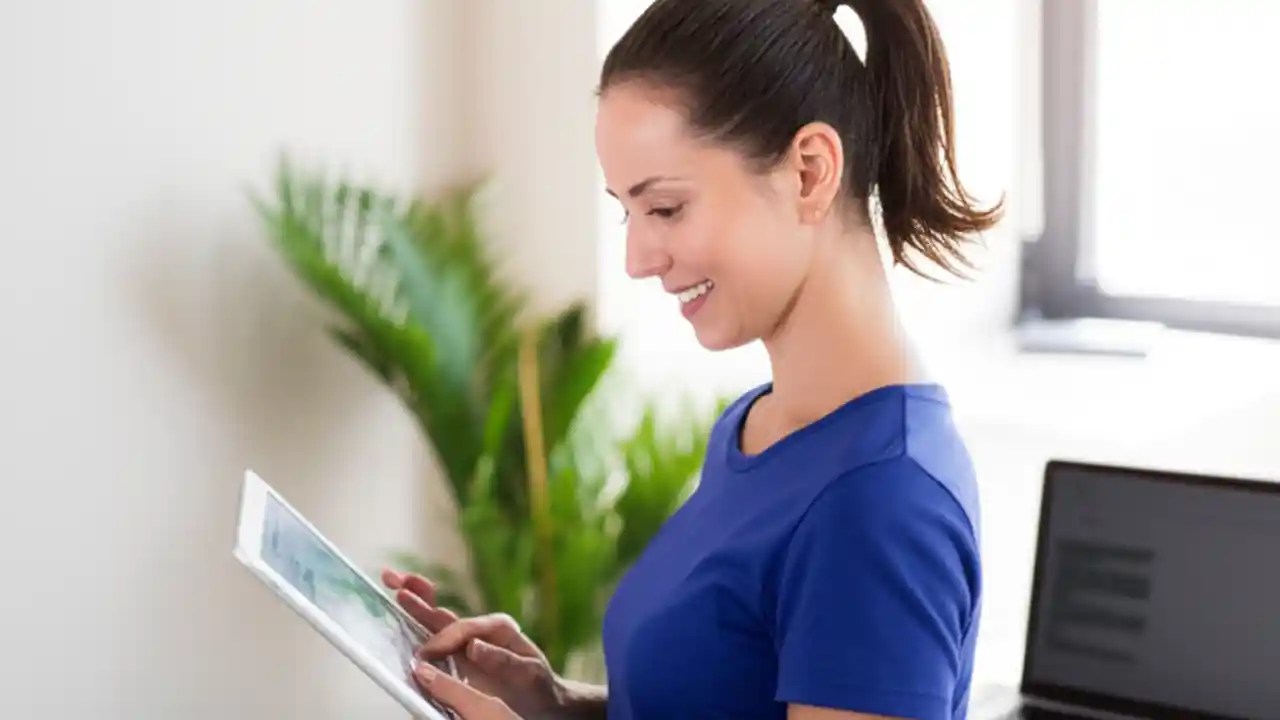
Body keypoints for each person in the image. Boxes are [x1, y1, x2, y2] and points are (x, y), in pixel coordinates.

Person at [383, 0, 1000, 717]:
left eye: (666, 209)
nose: (638, 258)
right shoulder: (759, 425)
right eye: (627, 211)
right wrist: (555, 706)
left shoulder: (882, 502)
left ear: (809, 171)